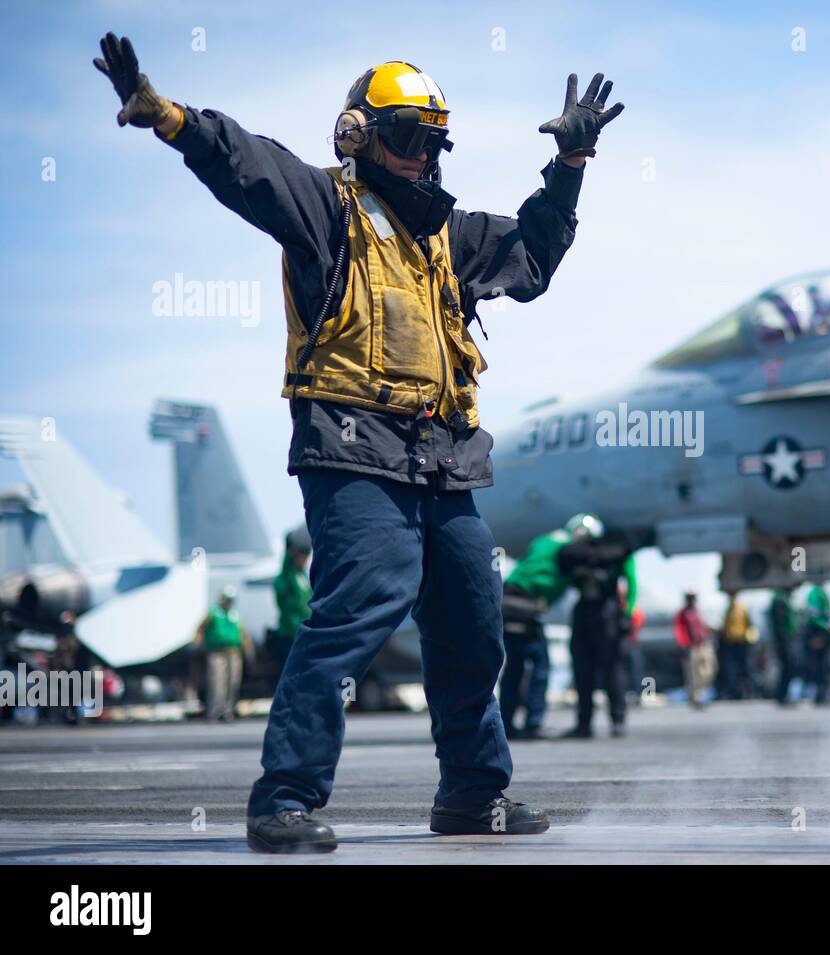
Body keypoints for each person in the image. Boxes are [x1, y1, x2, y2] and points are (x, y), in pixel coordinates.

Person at [95, 32, 623, 852]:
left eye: (434, 141)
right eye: (409, 137)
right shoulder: (327, 208)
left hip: (443, 458)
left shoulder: (453, 237)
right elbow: (246, 166)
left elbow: (535, 255)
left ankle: (473, 794)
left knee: (474, 620)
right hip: (353, 449)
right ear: (358, 135)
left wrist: (571, 168)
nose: (423, 158)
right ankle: (285, 799)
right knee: (358, 607)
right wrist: (170, 118)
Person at [498, 517, 585, 740]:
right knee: (540, 665)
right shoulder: (570, 550)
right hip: (526, 607)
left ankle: (506, 723)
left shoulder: (545, 541)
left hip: (507, 602)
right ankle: (532, 723)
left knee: (515, 666)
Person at [556, 516, 635, 738]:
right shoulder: (572, 553)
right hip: (584, 610)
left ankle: (617, 719)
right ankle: (584, 722)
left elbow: (631, 579)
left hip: (606, 610)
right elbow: (564, 559)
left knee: (612, 668)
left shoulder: (615, 549)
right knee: (582, 669)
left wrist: (628, 613)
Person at [193, 586, 252, 722]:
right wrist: (198, 643)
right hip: (217, 653)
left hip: (234, 653)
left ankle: (228, 711)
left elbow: (243, 633)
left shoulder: (235, 615)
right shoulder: (213, 613)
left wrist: (248, 648)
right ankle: (214, 711)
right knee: (217, 683)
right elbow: (200, 629)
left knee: (233, 683)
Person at [269, 529, 312, 667]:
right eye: (302, 556)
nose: (304, 560)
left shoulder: (303, 577)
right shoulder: (286, 577)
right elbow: (285, 574)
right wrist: (289, 547)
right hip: (289, 635)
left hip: (305, 635)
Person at [674, 591, 715, 708]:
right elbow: (679, 630)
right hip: (691, 647)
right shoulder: (683, 613)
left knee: (707, 670)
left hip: (703, 645)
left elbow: (704, 626)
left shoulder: (698, 611)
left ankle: (702, 691)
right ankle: (696, 697)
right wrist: (683, 644)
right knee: (693, 674)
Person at [802, 582, 830, 705]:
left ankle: (821, 694)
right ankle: (820, 695)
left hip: (820, 631)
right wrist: (824, 629)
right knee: (820, 666)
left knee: (822, 666)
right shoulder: (816, 594)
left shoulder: (818, 593)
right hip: (817, 631)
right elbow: (815, 615)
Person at [718, 594, 756, 700]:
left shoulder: (742, 608)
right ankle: (735, 692)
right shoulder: (728, 609)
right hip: (730, 643)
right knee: (731, 669)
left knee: (745, 668)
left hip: (742, 642)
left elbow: (750, 624)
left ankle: (749, 691)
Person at [768, 588, 797, 705]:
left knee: (787, 667)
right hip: (783, 641)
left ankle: (783, 694)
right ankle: (781, 694)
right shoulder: (779, 599)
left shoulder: (781, 598)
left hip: (784, 640)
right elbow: (781, 625)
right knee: (787, 667)